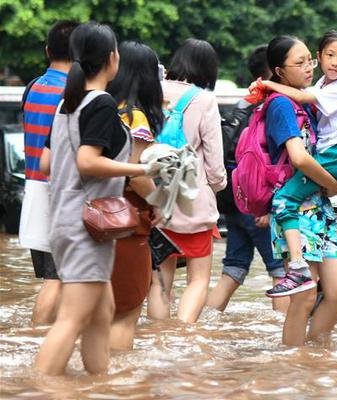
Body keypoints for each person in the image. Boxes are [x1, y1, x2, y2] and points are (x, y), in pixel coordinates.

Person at [35, 22, 151, 375]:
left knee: (101, 313)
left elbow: (46, 162)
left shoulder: (67, 104)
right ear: (112, 58)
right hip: (86, 227)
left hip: (69, 221)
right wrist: (141, 170)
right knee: (71, 320)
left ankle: (98, 385)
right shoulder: (99, 103)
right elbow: (87, 161)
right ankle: (39, 388)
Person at [261, 36, 337, 345]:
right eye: (298, 63)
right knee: (305, 296)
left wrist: (328, 186)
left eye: (308, 61)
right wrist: (332, 183)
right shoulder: (283, 104)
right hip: (296, 213)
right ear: (279, 71)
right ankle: (292, 369)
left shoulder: (310, 99)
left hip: (319, 208)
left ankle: (312, 360)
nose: (308, 68)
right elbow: (298, 157)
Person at [146, 39, 227, 323]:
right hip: (192, 199)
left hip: (152, 196)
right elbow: (215, 164)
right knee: (198, 279)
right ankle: (183, 338)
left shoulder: (152, 91)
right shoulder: (205, 100)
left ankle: (158, 338)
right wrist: (215, 187)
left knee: (158, 282)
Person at [207, 45, 288, 313]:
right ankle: (287, 341)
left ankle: (199, 326)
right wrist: (267, 206)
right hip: (258, 203)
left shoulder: (243, 104)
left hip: (234, 199)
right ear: (273, 70)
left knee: (233, 268)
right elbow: (268, 160)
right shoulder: (271, 106)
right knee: (280, 271)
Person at [19, 20, 79, 326]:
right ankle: (38, 344)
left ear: (47, 51)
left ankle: (40, 341)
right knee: (58, 280)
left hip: (33, 192)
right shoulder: (74, 92)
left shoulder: (32, 88)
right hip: (61, 195)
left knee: (52, 278)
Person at [106, 41, 164, 349]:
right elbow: (134, 172)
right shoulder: (135, 117)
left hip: (94, 215)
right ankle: (119, 384)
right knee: (126, 311)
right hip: (127, 218)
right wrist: (159, 202)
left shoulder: (102, 106)